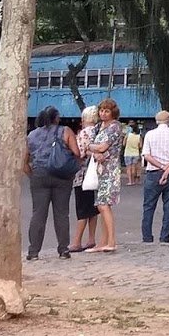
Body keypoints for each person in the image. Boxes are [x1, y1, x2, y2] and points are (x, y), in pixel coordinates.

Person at [23, 106, 79, 261]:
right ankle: (63, 250)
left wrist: (33, 176)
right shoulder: (65, 131)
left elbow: (24, 161)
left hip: (39, 175)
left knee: (38, 214)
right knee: (61, 214)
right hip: (62, 177)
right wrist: (72, 169)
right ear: (56, 117)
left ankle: (33, 251)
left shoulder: (31, 135)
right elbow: (76, 152)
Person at [84, 99, 124, 253]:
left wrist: (95, 148)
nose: (103, 113)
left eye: (106, 111)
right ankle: (103, 242)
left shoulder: (115, 127)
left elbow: (102, 146)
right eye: (101, 110)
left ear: (113, 112)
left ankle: (111, 241)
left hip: (110, 169)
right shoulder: (98, 127)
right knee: (101, 206)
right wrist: (95, 150)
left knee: (103, 204)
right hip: (98, 169)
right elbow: (88, 145)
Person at [140, 110, 169, 244]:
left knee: (148, 206)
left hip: (153, 173)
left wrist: (161, 166)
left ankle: (147, 237)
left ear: (157, 121)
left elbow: (147, 155)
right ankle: (165, 237)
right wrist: (168, 169)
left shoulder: (149, 134)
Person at [68, 106, 101, 252]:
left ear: (83, 119)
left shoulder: (84, 133)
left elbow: (78, 152)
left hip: (82, 175)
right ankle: (91, 239)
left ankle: (76, 241)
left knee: (81, 209)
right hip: (96, 175)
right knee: (93, 209)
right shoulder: (99, 131)